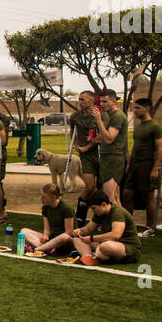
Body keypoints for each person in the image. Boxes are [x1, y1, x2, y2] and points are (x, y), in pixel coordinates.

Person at [121, 99, 162, 236]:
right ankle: (129, 225)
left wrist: (155, 168)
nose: (135, 111)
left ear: (147, 108)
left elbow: (160, 148)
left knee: (148, 196)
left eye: (138, 108)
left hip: (147, 164)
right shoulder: (138, 126)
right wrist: (129, 163)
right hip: (135, 165)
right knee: (127, 194)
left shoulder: (154, 126)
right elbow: (136, 146)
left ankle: (150, 227)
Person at [68, 190, 142, 266]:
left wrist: (92, 238)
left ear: (103, 204)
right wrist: (79, 231)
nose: (93, 211)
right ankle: (88, 257)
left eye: (94, 208)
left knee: (105, 246)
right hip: (110, 244)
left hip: (129, 247)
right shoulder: (99, 213)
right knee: (77, 239)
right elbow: (88, 229)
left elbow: (116, 235)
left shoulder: (118, 212)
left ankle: (97, 255)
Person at [69, 91, 101, 225]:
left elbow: (102, 135)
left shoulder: (99, 115)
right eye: (79, 99)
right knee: (90, 186)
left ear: (92, 100)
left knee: (102, 187)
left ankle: (100, 217)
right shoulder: (75, 117)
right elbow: (73, 133)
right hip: (86, 155)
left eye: (83, 99)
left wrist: (88, 146)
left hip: (99, 152)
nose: (80, 102)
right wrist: (77, 145)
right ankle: (80, 216)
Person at [21, 183, 76, 256]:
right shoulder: (45, 207)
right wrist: (45, 236)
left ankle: (37, 249)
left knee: (64, 237)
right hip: (52, 238)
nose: (41, 199)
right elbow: (47, 229)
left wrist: (53, 241)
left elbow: (69, 232)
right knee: (24, 231)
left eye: (44, 197)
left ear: (53, 197)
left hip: (65, 241)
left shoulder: (66, 208)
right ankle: (47, 248)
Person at [94, 89, 128, 206]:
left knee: (109, 198)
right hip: (107, 158)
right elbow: (105, 136)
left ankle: (116, 223)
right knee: (115, 197)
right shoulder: (110, 116)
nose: (101, 105)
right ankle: (123, 222)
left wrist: (98, 120)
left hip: (113, 159)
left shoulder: (117, 116)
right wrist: (96, 139)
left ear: (114, 101)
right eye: (100, 102)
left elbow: (109, 139)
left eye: (105, 101)